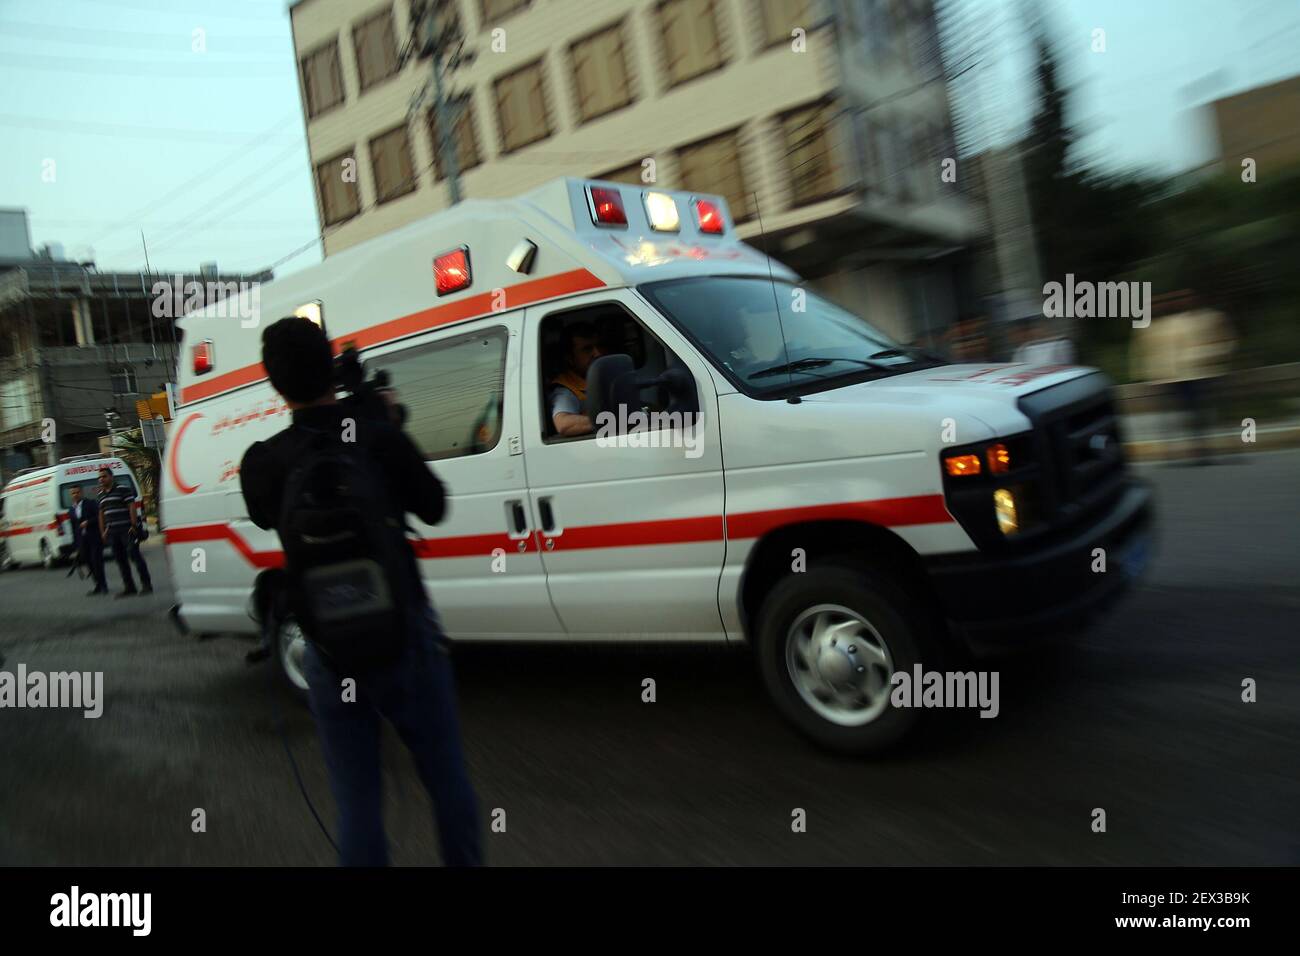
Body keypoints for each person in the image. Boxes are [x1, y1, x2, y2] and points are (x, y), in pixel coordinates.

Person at [239, 316, 481, 867]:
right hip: (407, 637)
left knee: (358, 805)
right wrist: (385, 420)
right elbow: (434, 507)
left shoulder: (265, 461)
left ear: (274, 385)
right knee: (447, 784)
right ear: (330, 365)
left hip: (329, 650)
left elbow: (260, 513)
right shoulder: (377, 436)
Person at [97, 467, 152, 597]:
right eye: (100, 477)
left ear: (111, 477)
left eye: (104, 476)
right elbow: (101, 514)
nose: (101, 479)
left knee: (135, 557)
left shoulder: (123, 489)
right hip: (112, 532)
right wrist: (103, 532)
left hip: (126, 530)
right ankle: (129, 587)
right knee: (121, 561)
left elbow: (131, 507)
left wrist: (133, 525)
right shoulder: (100, 495)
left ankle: (146, 585)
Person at [549, 321, 604, 436]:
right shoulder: (565, 389)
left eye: (598, 346)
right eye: (587, 349)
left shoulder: (600, 377)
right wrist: (612, 420)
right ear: (570, 358)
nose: (597, 353)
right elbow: (564, 425)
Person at [68, 485, 108, 596]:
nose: (75, 495)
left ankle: (103, 585)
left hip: (94, 537)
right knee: (89, 563)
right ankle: (97, 585)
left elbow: (99, 517)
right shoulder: (71, 509)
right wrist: (76, 546)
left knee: (97, 562)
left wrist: (88, 522)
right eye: (73, 493)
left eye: (77, 492)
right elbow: (74, 528)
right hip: (82, 540)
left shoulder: (90, 503)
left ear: (81, 493)